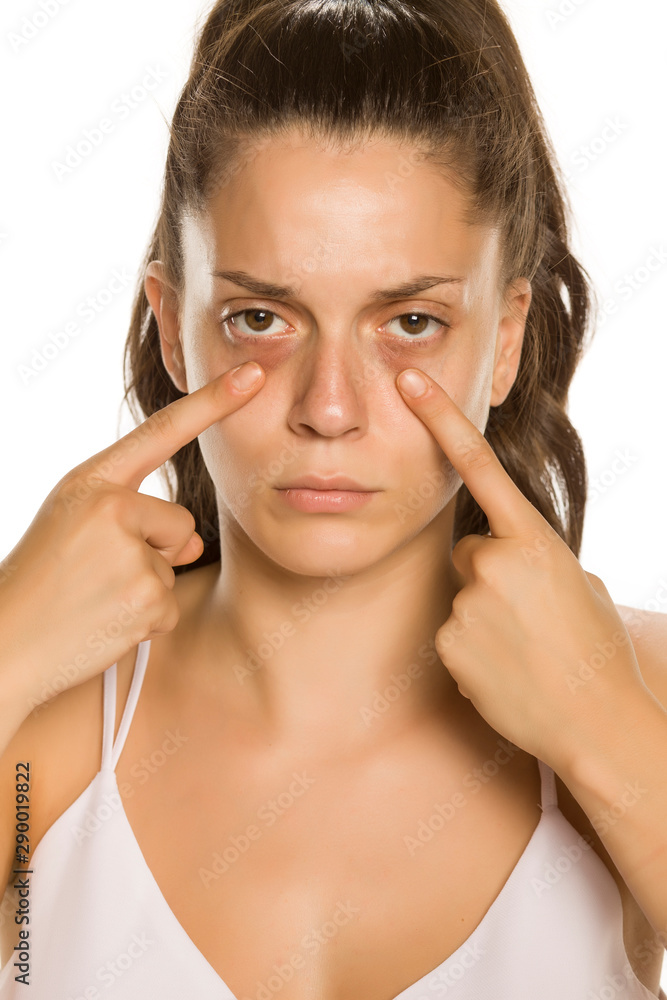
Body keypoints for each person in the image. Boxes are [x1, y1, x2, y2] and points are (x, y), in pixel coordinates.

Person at [1, 0, 666, 997]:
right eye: (261, 316)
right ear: (174, 329)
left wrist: (606, 733)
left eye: (409, 320)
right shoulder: (39, 735)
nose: (328, 407)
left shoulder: (644, 691)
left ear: (508, 338)